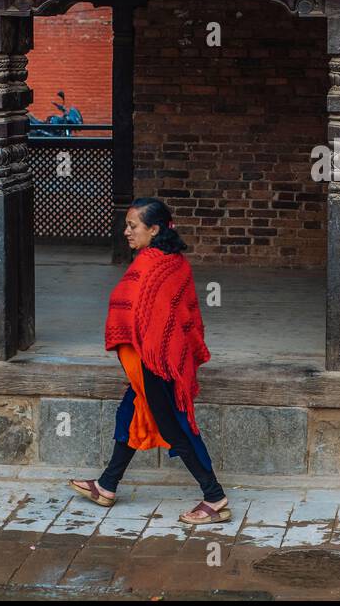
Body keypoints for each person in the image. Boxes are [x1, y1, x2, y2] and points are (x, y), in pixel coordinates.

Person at [68, 198, 230, 524]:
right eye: (127, 225)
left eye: (133, 226)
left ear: (153, 230)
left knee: (175, 427)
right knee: (130, 413)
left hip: (156, 362)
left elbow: (140, 311)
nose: (126, 231)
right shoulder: (175, 262)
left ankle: (215, 497)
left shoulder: (152, 264)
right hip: (157, 358)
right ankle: (107, 485)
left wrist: (151, 350)